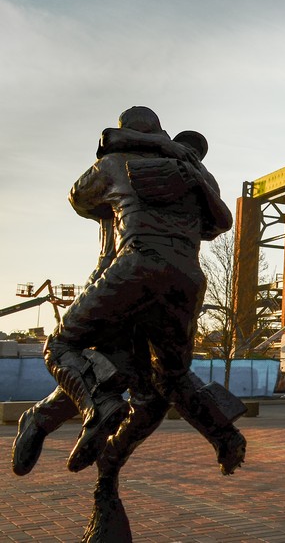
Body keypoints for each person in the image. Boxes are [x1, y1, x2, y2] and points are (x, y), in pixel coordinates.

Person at [11, 121, 247, 479]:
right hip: (172, 280)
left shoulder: (122, 164)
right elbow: (217, 225)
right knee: (152, 378)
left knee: (116, 368)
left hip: (129, 274)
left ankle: (81, 434)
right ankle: (81, 439)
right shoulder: (190, 178)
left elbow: (80, 195)